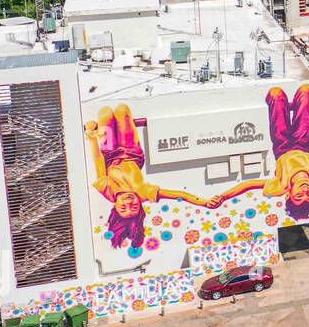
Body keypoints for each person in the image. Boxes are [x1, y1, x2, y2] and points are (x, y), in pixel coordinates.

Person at [85, 105, 219, 251]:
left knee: (105, 113)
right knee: (122, 110)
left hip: (109, 153)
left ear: (115, 208)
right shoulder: (144, 193)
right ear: (141, 206)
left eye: (123, 207)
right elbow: (179, 195)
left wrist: (91, 137)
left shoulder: (108, 191)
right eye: (134, 206)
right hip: (131, 151)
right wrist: (204, 203)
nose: (129, 202)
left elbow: (99, 161)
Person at [212, 85, 309, 220]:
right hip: (304, 142)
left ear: (288, 194)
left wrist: (223, 196)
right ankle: (301, 97)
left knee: (275, 94)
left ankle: (277, 100)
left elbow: (248, 185)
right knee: (306, 91)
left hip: (282, 146)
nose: (305, 191)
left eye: (299, 196)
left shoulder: (279, 186)